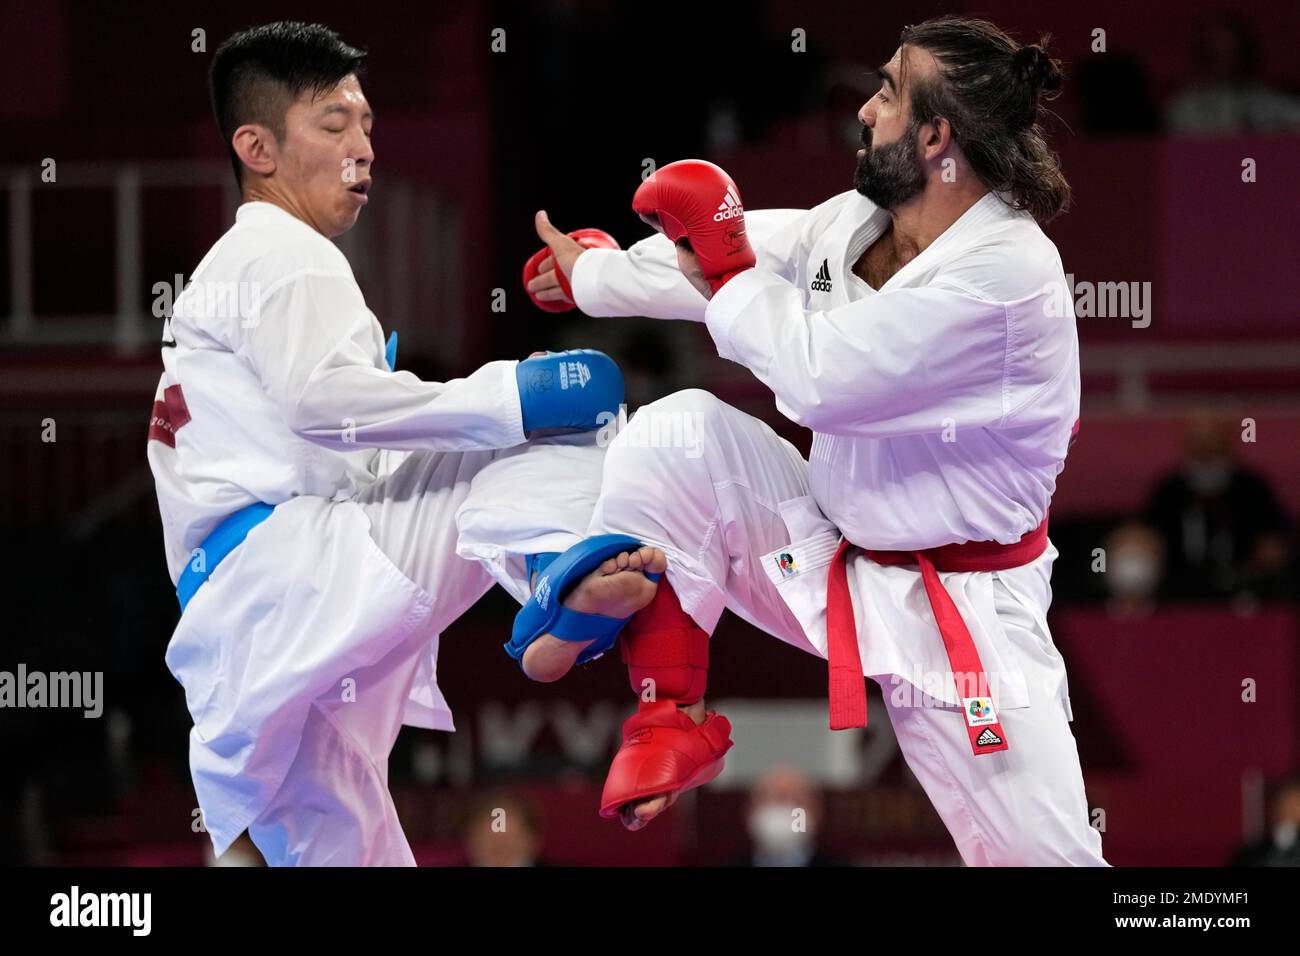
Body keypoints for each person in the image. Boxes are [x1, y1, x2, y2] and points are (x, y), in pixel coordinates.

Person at [517, 16, 1106, 866]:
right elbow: (738, 250)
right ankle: (666, 713)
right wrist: (594, 276)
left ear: (938, 135)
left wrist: (721, 266)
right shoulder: (860, 220)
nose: (865, 110)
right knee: (677, 433)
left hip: (965, 618)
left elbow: (823, 380)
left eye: (888, 92)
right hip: (833, 547)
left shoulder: (1006, 276)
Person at [150, 21, 649, 866]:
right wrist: (514, 394)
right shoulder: (281, 249)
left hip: (256, 621)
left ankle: (555, 576)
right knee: (584, 425)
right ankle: (556, 577)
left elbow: (332, 428)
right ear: (257, 148)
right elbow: (324, 402)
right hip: (293, 577)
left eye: (369, 125)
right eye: (334, 124)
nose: (363, 147)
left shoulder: (240, 269)